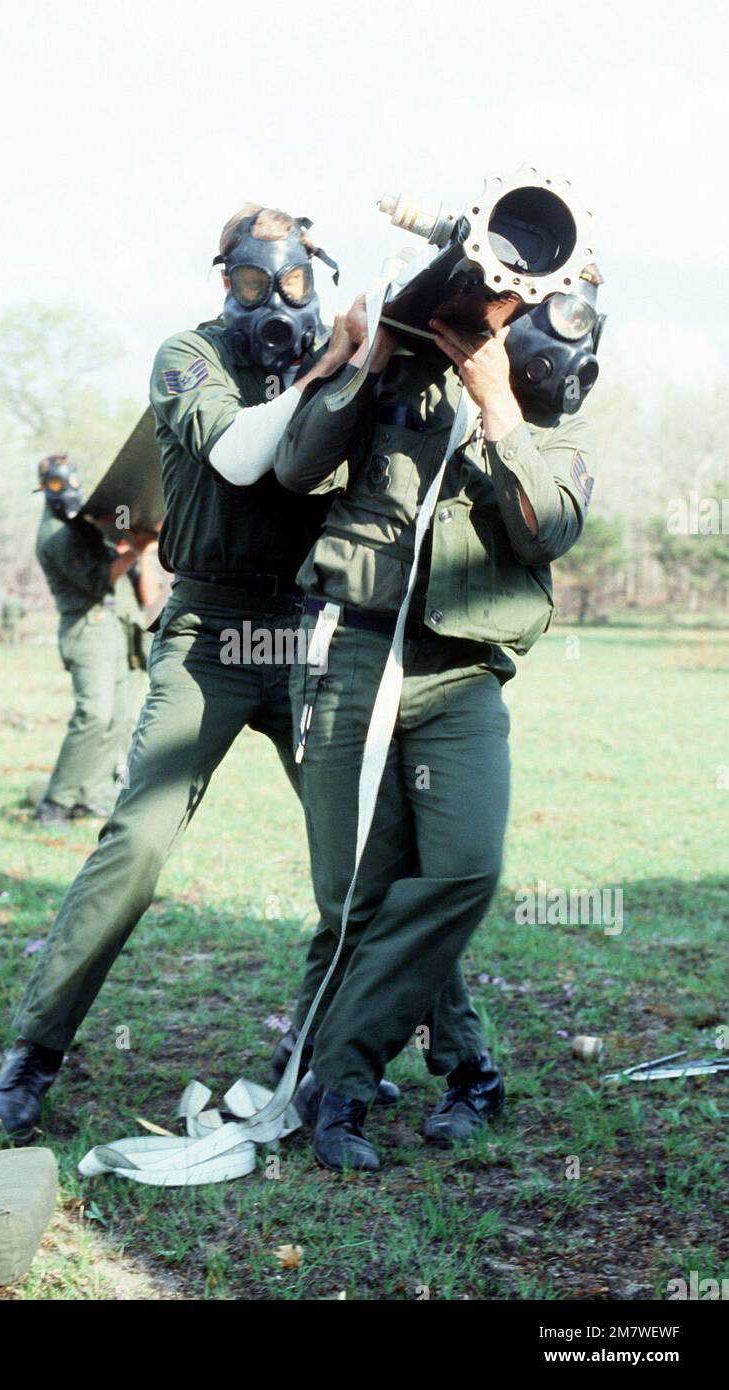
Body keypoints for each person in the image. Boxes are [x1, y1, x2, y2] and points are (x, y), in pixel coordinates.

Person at [0, 203, 387, 1142]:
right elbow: (241, 457)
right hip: (211, 628)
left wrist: (383, 351)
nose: (276, 301)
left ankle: (383, 1052)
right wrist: (327, 369)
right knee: (136, 847)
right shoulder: (186, 357)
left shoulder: (344, 348)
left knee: (366, 849)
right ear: (224, 277)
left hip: (308, 629)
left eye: (293, 282)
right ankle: (31, 1056)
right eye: (252, 280)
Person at [272, 294, 594, 1171]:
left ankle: (339, 1071)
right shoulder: (397, 385)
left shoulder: (549, 430)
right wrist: (362, 364)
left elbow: (549, 529)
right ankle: (450, 1074)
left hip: (460, 677)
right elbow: (297, 469)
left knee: (461, 872)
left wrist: (496, 404)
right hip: (351, 661)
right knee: (360, 900)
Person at [33, 454, 151, 825]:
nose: (66, 489)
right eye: (55, 483)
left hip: (109, 626)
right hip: (87, 630)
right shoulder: (56, 536)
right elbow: (101, 579)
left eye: (69, 480)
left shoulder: (77, 525)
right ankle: (56, 803)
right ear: (43, 487)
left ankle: (89, 795)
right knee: (95, 715)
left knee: (118, 718)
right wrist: (136, 548)